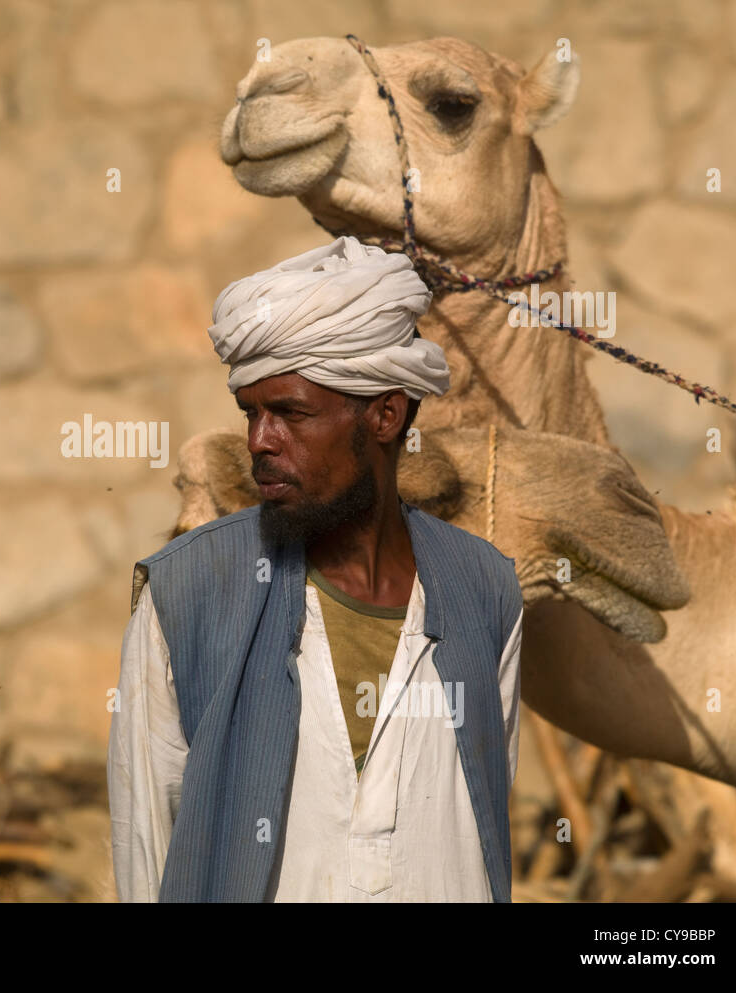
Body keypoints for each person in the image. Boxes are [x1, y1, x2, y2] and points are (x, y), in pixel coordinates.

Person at [107, 236, 523, 902]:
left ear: (384, 414)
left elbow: (480, 831)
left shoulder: (485, 592)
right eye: (251, 413)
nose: (259, 441)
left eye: (290, 414)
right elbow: (145, 845)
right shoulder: (188, 597)